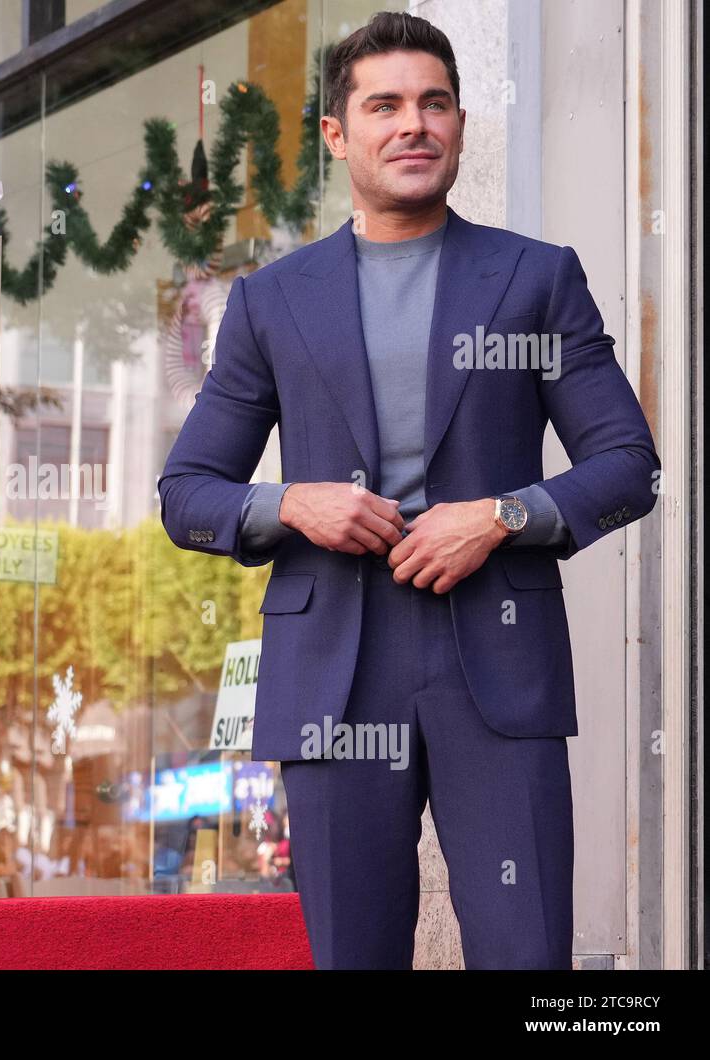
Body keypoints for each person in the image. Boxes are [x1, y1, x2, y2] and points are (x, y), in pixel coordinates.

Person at [158, 11, 659, 969]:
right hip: (332, 676)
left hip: (497, 661)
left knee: (528, 957)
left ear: (461, 123)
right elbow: (188, 492)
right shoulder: (272, 299)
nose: (413, 125)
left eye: (434, 103)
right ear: (338, 134)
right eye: (384, 106)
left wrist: (504, 516)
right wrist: (290, 503)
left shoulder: (537, 278)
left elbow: (629, 464)